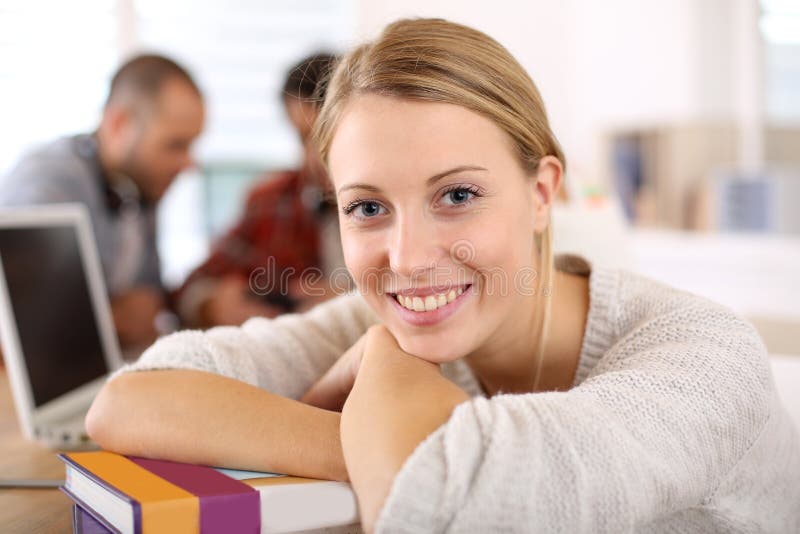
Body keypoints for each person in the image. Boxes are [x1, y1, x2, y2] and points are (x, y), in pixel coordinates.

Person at [86, 19, 800, 533]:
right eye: (367, 207)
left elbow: (437, 505)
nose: (408, 258)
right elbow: (126, 404)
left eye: (457, 195)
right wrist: (371, 420)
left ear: (543, 193)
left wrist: (382, 370)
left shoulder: (702, 362)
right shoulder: (394, 320)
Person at [0, 54, 205, 347]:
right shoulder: (48, 184)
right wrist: (108, 316)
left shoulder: (141, 185)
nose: (188, 164)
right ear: (119, 124)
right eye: (175, 145)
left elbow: (149, 297)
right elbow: (22, 318)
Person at [175, 53, 347, 328]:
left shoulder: (403, 201)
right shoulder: (272, 199)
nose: (317, 156)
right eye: (304, 138)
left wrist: (351, 302)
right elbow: (190, 287)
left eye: (329, 134)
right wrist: (209, 305)